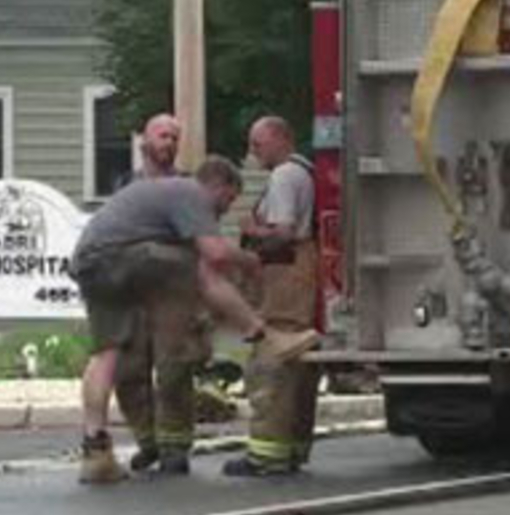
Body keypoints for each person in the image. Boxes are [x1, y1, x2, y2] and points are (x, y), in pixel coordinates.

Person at [72, 157, 267, 485]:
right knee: (194, 266)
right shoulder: (190, 192)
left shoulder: (159, 198)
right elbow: (216, 255)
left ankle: (96, 450)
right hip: (122, 258)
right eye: (228, 201)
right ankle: (251, 329)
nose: (224, 211)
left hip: (91, 263)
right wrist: (251, 264)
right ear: (216, 185)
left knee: (107, 353)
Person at [225, 118, 323, 478]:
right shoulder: (305, 172)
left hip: (284, 282)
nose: (253, 153)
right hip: (301, 281)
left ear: (282, 138)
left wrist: (252, 233)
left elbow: (283, 234)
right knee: (298, 366)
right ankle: (293, 448)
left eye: (258, 144)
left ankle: (266, 454)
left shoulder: (284, 176)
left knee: (271, 363)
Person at [111, 114, 193, 474]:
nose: (170, 143)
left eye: (175, 138)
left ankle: (175, 447)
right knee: (128, 372)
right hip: (132, 291)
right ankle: (148, 442)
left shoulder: (187, 188)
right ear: (145, 142)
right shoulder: (125, 185)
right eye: (163, 136)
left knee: (174, 371)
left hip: (174, 291)